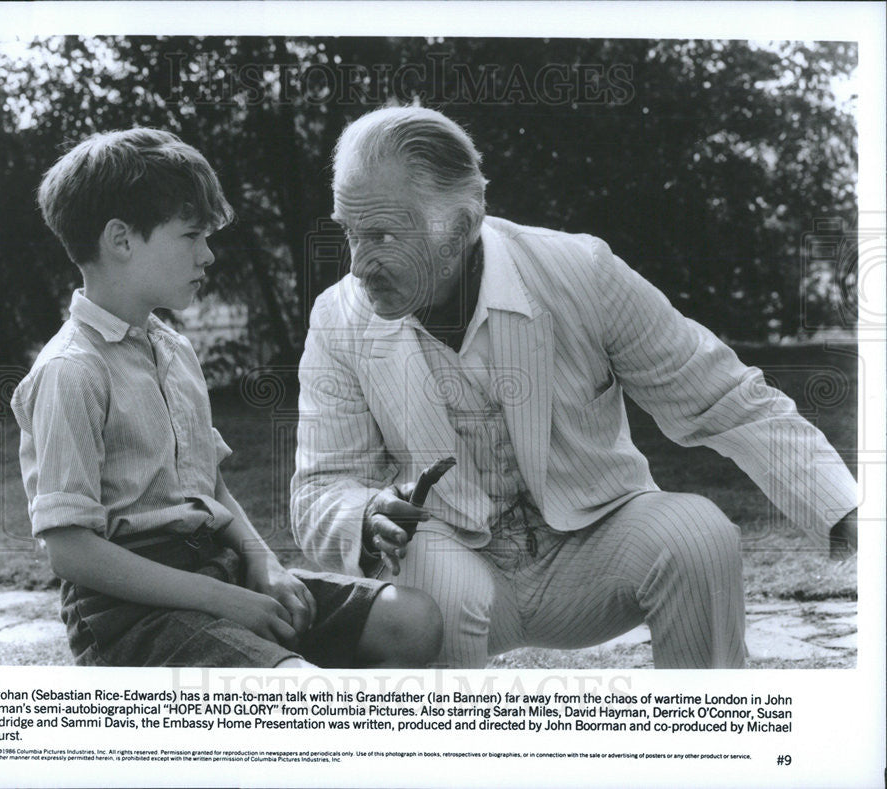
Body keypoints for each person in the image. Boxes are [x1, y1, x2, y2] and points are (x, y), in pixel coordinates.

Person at [290, 106, 858, 669]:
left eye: (383, 235)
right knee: (431, 569)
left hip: (599, 551)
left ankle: (706, 748)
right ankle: (453, 757)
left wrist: (844, 512)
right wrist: (365, 514)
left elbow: (725, 396)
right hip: (454, 571)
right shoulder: (338, 320)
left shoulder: (580, 270)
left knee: (700, 537)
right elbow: (319, 488)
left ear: (459, 228)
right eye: (349, 233)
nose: (359, 265)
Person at [11, 128, 442, 668]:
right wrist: (227, 601)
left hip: (219, 572)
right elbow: (69, 549)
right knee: (303, 692)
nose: (208, 254)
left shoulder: (174, 350)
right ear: (120, 240)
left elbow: (208, 484)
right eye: (191, 236)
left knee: (414, 621)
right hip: (130, 618)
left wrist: (264, 567)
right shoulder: (71, 371)